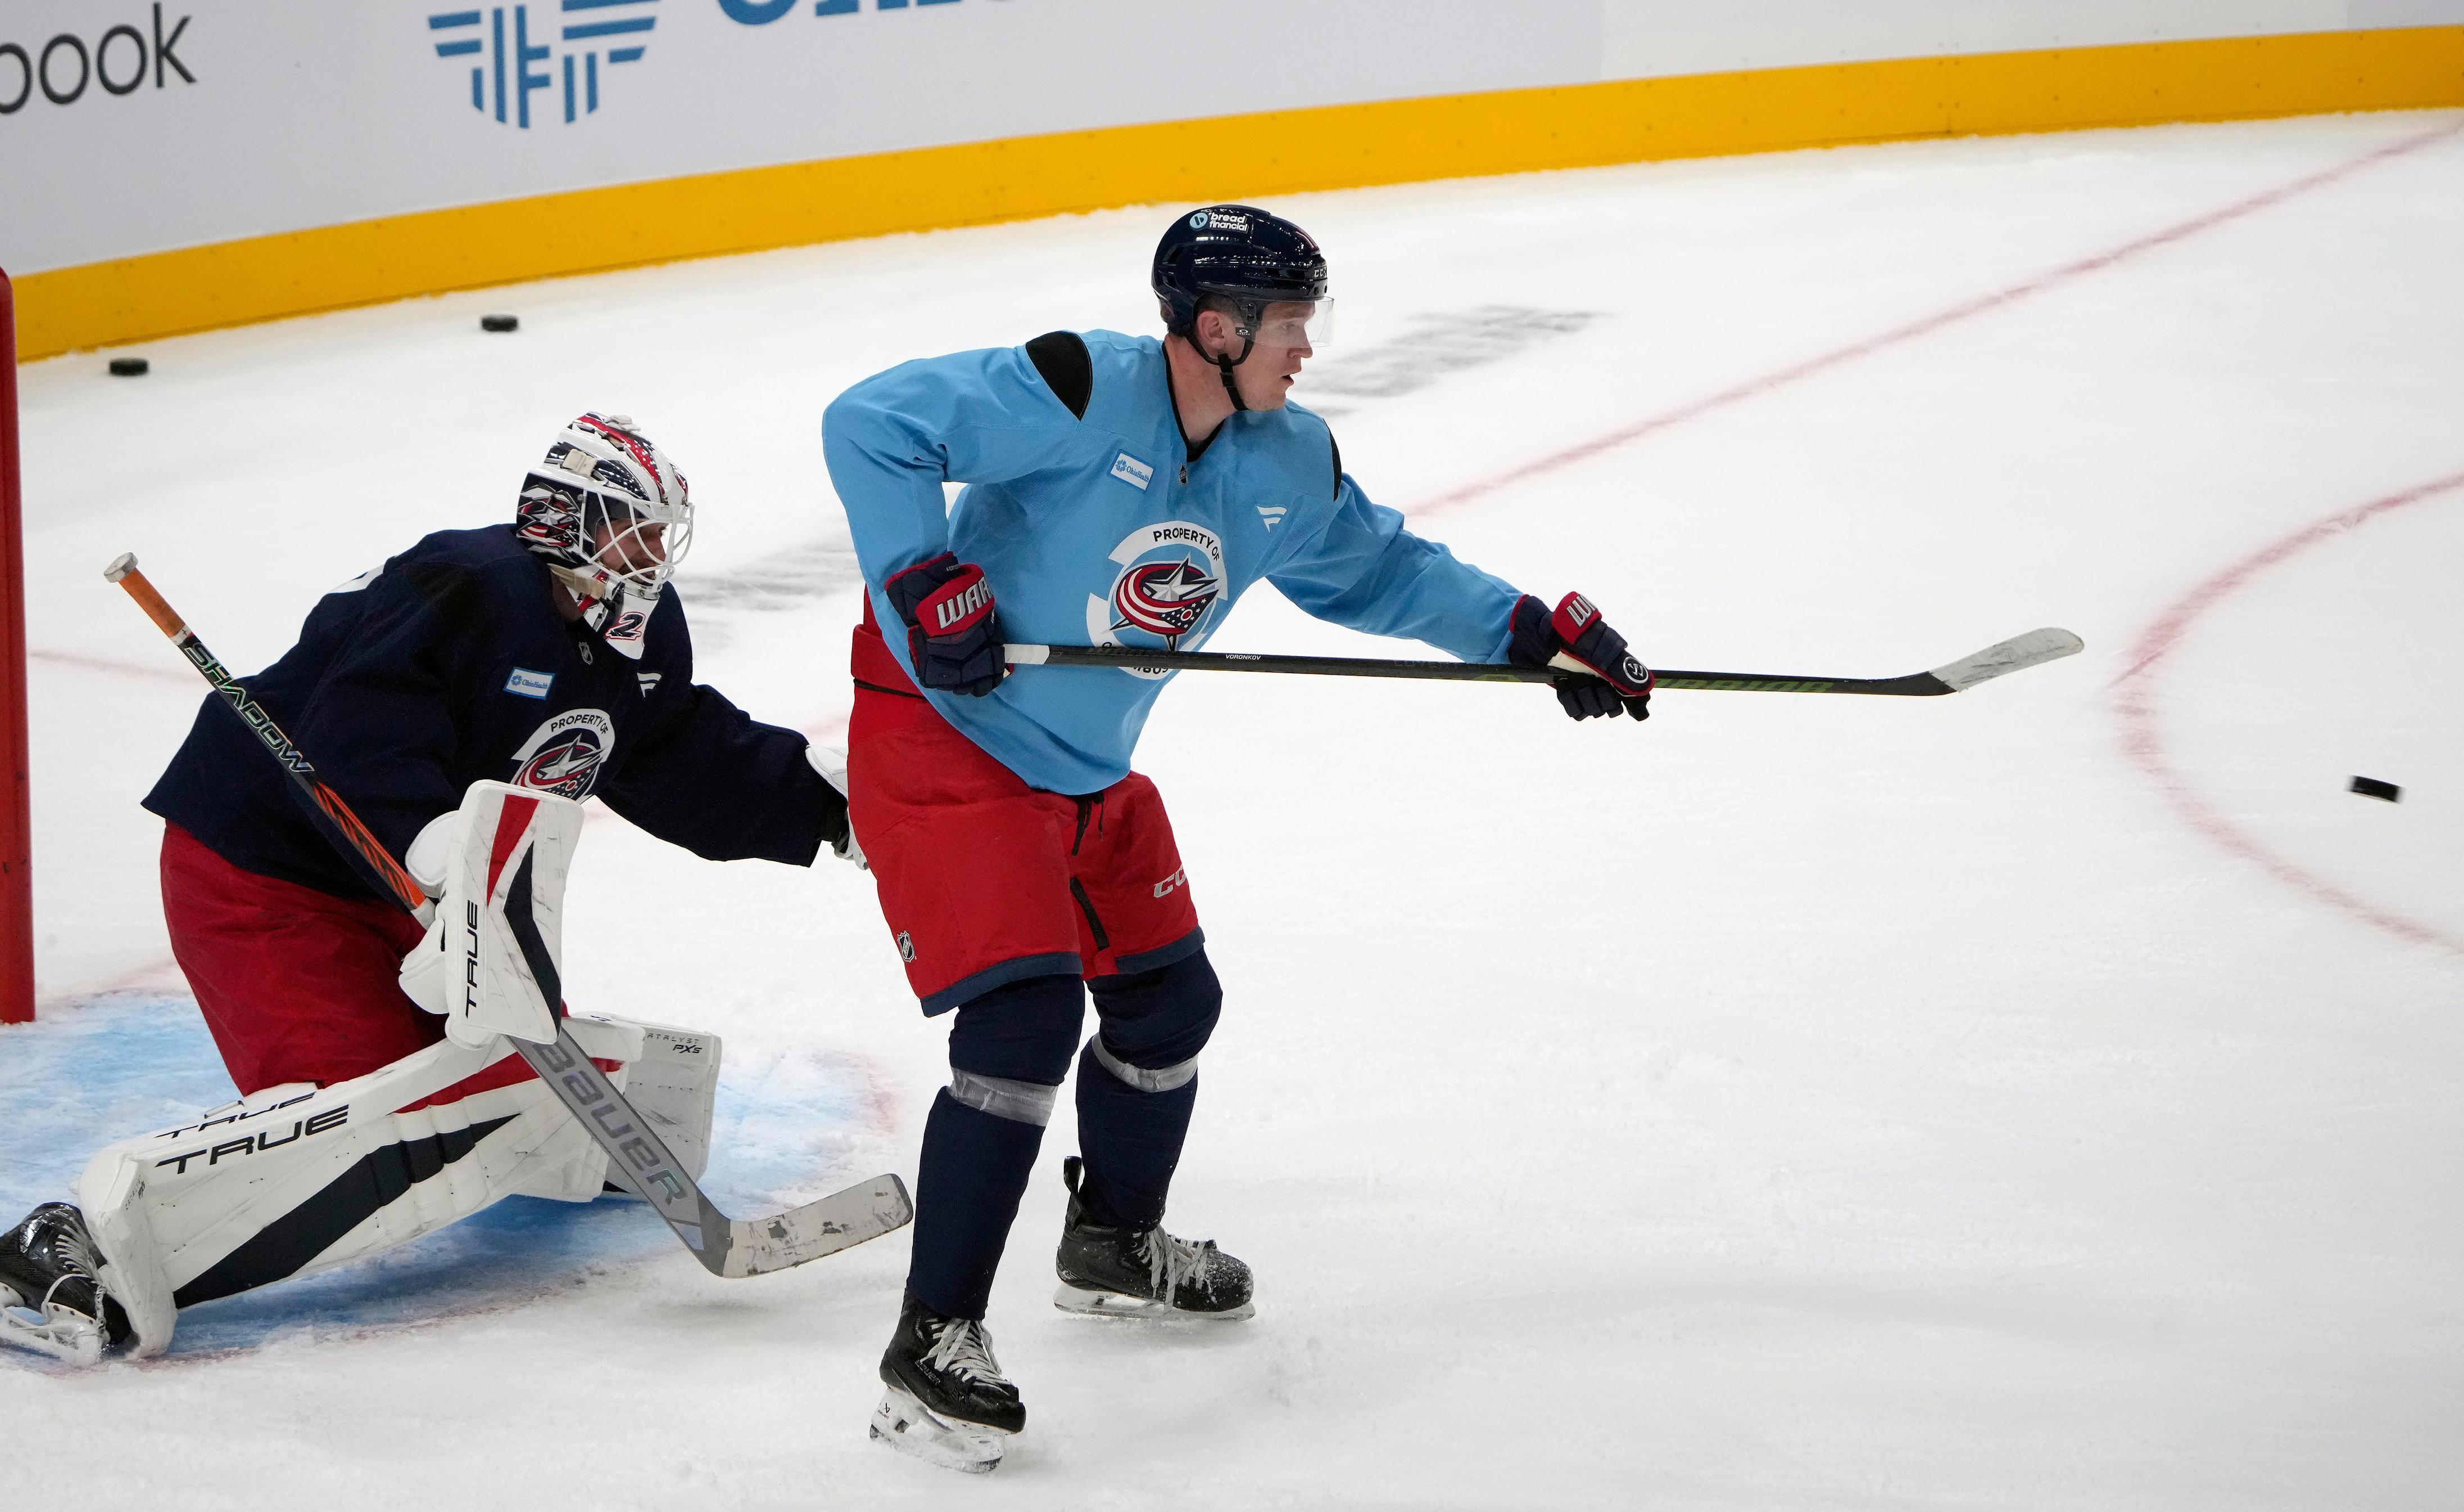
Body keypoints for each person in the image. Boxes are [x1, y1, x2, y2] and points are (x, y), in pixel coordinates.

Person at [825, 205, 1654, 1471]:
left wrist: (1529, 630)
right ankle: (931, 1346)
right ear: (1213, 329)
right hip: (945, 740)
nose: (1303, 348)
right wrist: (917, 574)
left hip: (1089, 770)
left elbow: (1385, 572)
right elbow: (869, 425)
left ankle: (1110, 1240)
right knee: (1024, 1019)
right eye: (1286, 324)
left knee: (1166, 1002)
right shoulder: (1072, 385)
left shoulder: (1284, 457)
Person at [0, 412, 859, 1364]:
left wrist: (823, 811)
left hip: (410, 887)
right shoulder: (465, 584)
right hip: (265, 871)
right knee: (372, 1122)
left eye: (661, 532)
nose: (655, 553)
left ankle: (554, 1141)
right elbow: (360, 728)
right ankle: (68, 1243)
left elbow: (677, 749)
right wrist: (432, 850)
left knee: (499, 1069)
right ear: (564, 520)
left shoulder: (638, 631)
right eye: (634, 528)